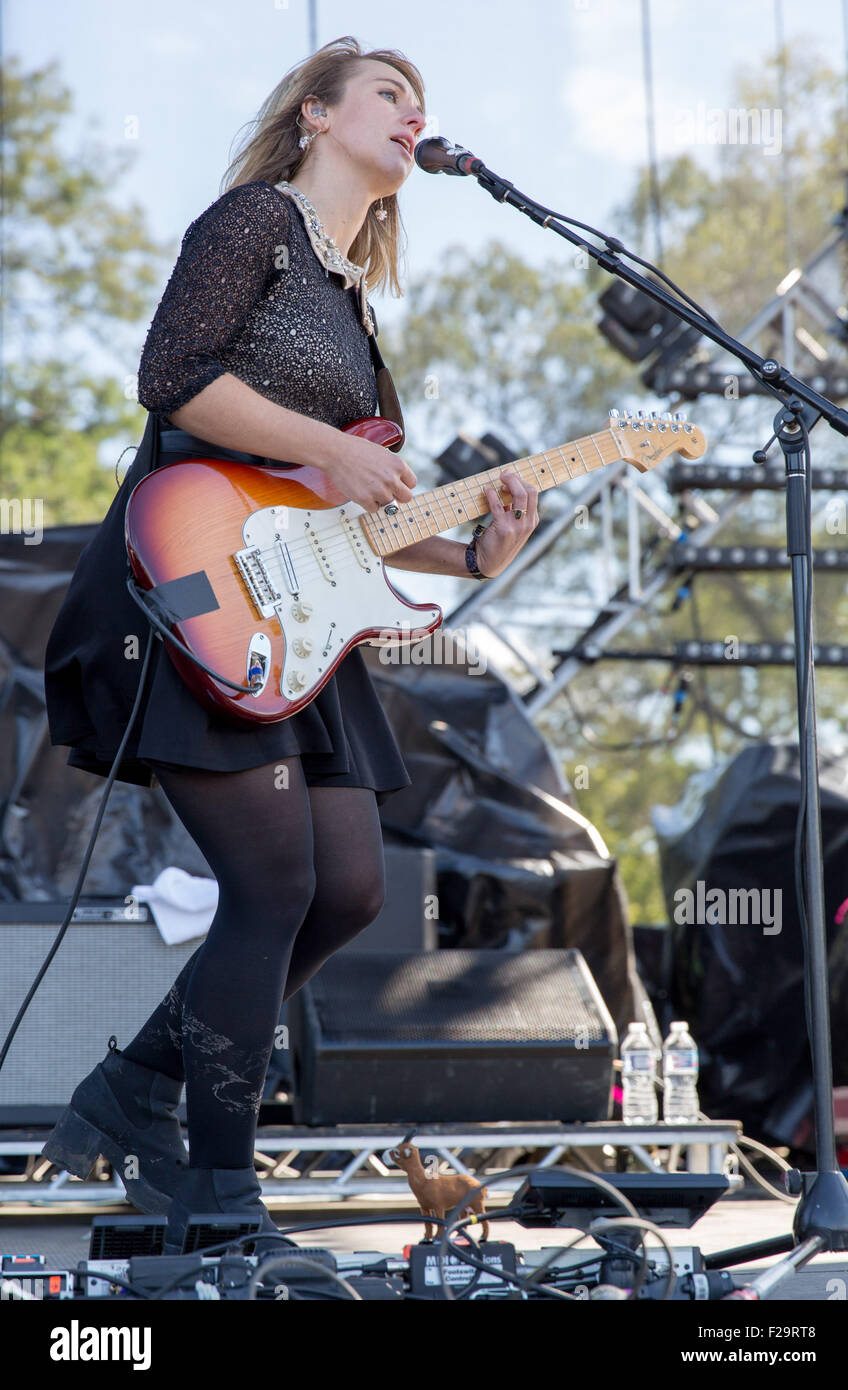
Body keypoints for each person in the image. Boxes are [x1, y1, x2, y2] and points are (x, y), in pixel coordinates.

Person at [40, 35, 539, 1257]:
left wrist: (476, 551)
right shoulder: (252, 222)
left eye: (422, 100)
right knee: (270, 888)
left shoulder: (356, 311)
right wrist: (333, 453)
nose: (412, 111)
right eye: (387, 92)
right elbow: (174, 377)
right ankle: (220, 1198)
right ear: (317, 115)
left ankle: (134, 1088)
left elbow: (357, 523)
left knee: (351, 889)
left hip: (304, 627)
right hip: (197, 584)